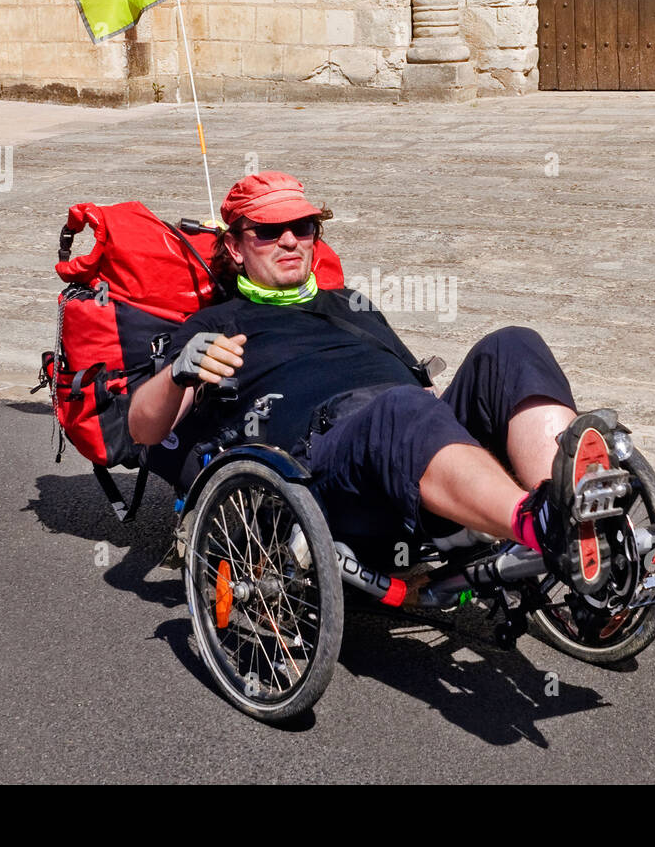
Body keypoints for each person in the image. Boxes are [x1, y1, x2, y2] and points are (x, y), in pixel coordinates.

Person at [129, 171, 627, 595]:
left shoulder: (350, 303)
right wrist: (178, 371)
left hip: (413, 435)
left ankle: (563, 503)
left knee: (512, 345)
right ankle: (536, 522)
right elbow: (144, 430)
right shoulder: (215, 325)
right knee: (399, 410)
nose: (289, 241)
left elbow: (424, 390)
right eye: (268, 230)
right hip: (326, 463)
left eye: (303, 227)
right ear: (235, 247)